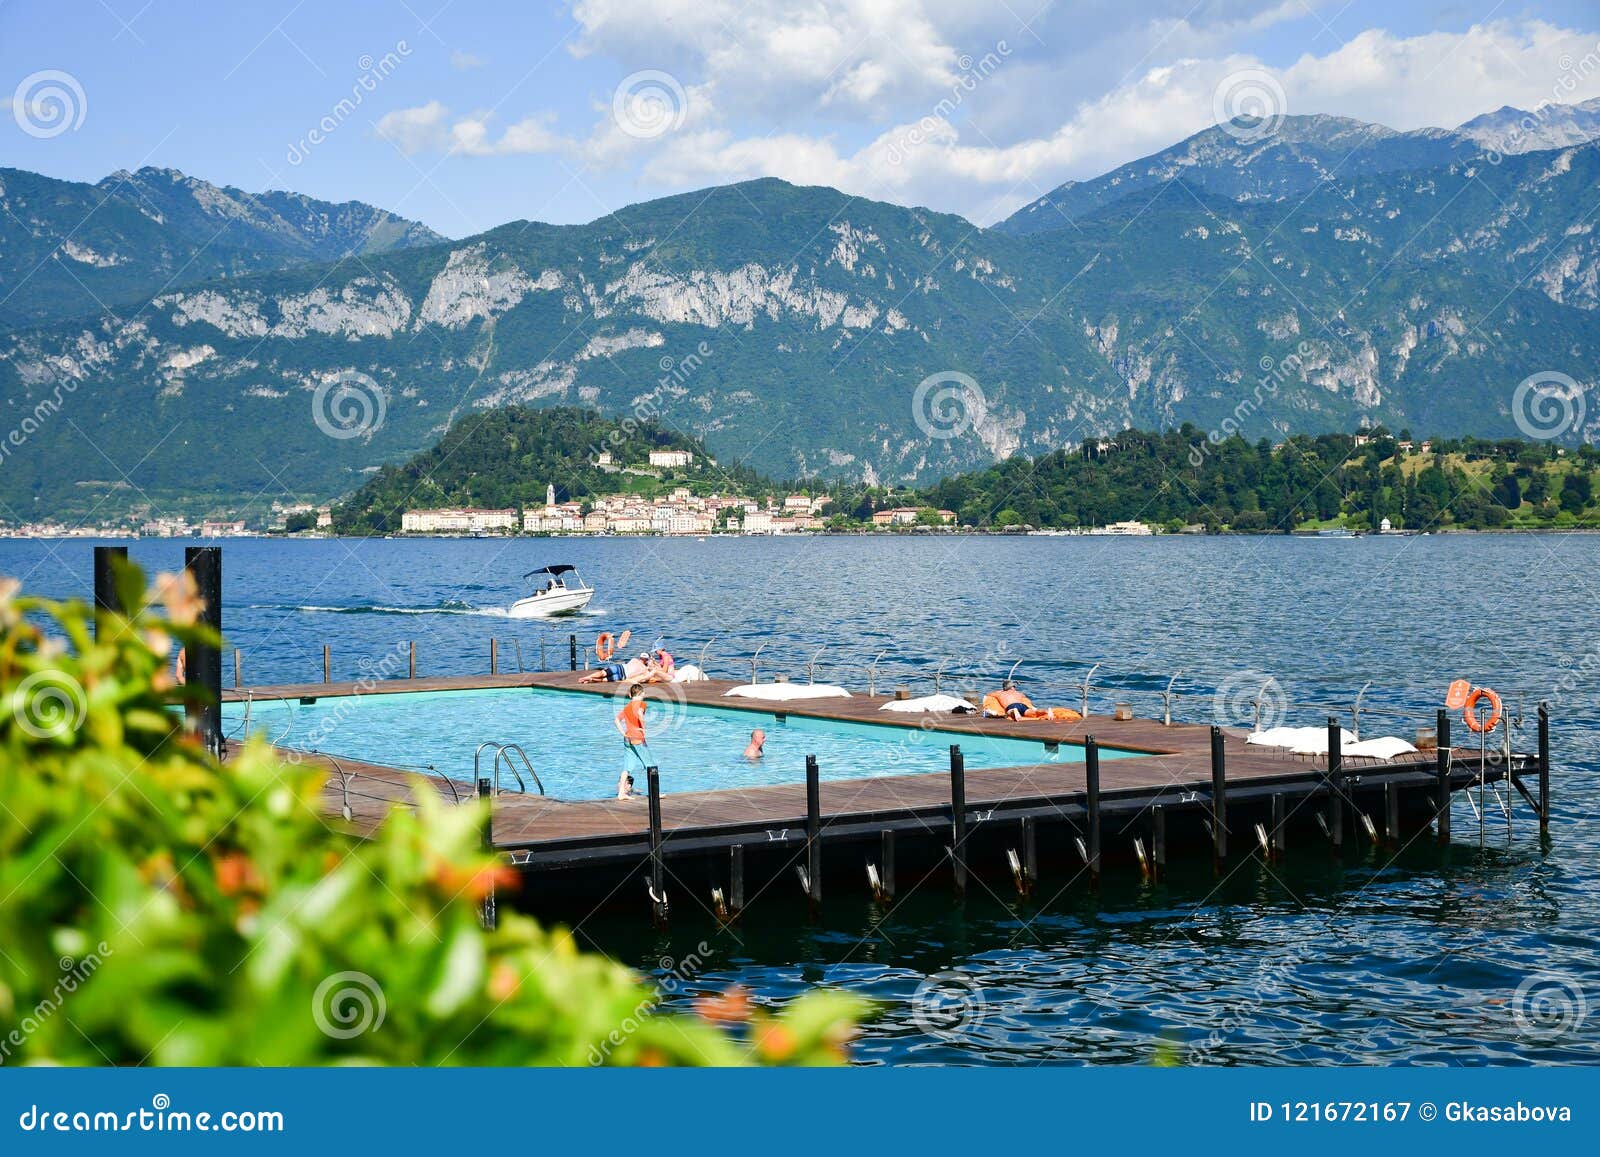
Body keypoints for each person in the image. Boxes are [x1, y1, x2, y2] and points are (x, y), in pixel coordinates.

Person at [615, 683, 652, 799]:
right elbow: (640, 714)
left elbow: (616, 720)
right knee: (651, 766)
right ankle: (654, 793)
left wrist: (623, 733)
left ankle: (621, 793)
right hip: (637, 738)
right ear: (643, 694)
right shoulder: (641, 703)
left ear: (630, 695)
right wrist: (643, 729)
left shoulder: (627, 707)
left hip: (627, 738)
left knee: (627, 768)